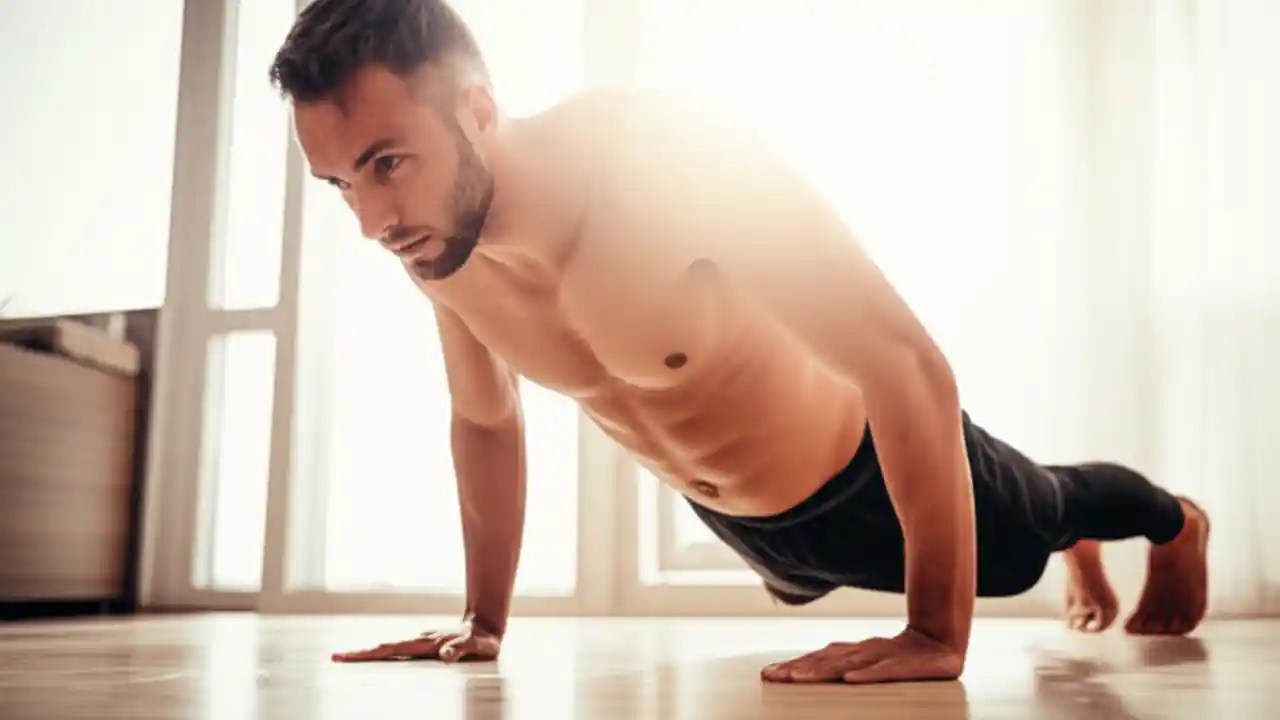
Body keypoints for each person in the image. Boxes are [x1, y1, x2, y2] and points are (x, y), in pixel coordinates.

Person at [268, 0, 1210, 684]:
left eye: (388, 163)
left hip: (872, 476)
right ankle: (1065, 533)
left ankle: (1172, 522)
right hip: (750, 532)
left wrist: (934, 632)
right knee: (887, 566)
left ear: (476, 109)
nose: (372, 222)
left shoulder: (662, 160)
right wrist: (483, 620)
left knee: (1037, 524)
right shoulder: (438, 246)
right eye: (343, 184)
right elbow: (484, 418)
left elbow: (904, 361)